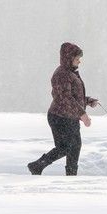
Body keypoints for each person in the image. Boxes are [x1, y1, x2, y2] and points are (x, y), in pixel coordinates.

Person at [27, 42, 98, 176]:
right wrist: (82, 114)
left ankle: (71, 176)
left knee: (75, 147)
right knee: (65, 147)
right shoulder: (61, 75)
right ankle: (38, 166)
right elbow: (65, 98)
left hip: (70, 117)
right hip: (59, 118)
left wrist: (88, 101)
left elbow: (74, 96)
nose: (79, 61)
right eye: (77, 59)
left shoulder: (71, 73)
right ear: (69, 59)